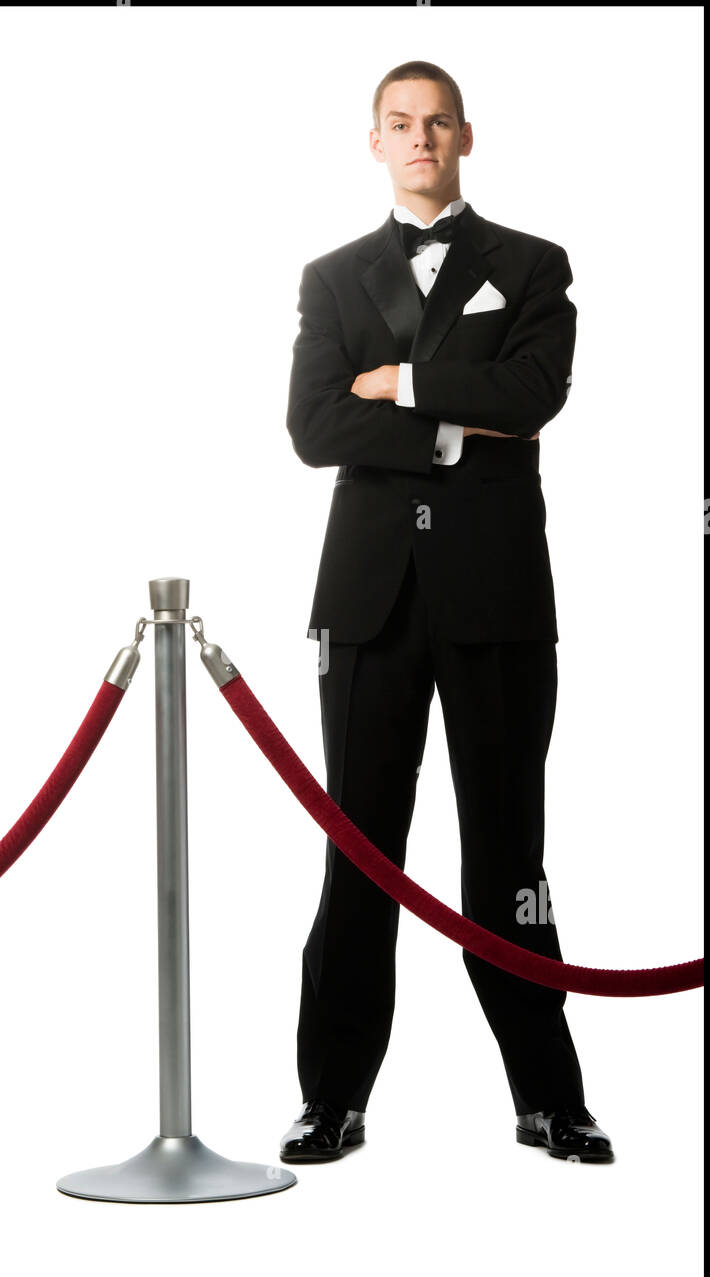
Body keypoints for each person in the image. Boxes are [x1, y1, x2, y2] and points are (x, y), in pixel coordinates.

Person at [279, 60, 613, 1165]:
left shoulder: (531, 263)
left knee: (511, 850)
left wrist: (406, 384)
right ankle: (332, 1096)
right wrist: (455, 427)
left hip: (498, 595)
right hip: (369, 602)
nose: (419, 139)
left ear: (465, 136)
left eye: (436, 123)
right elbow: (316, 427)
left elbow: (538, 397)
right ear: (373, 142)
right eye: (399, 124)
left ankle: (548, 1097)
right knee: (358, 851)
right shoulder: (331, 278)